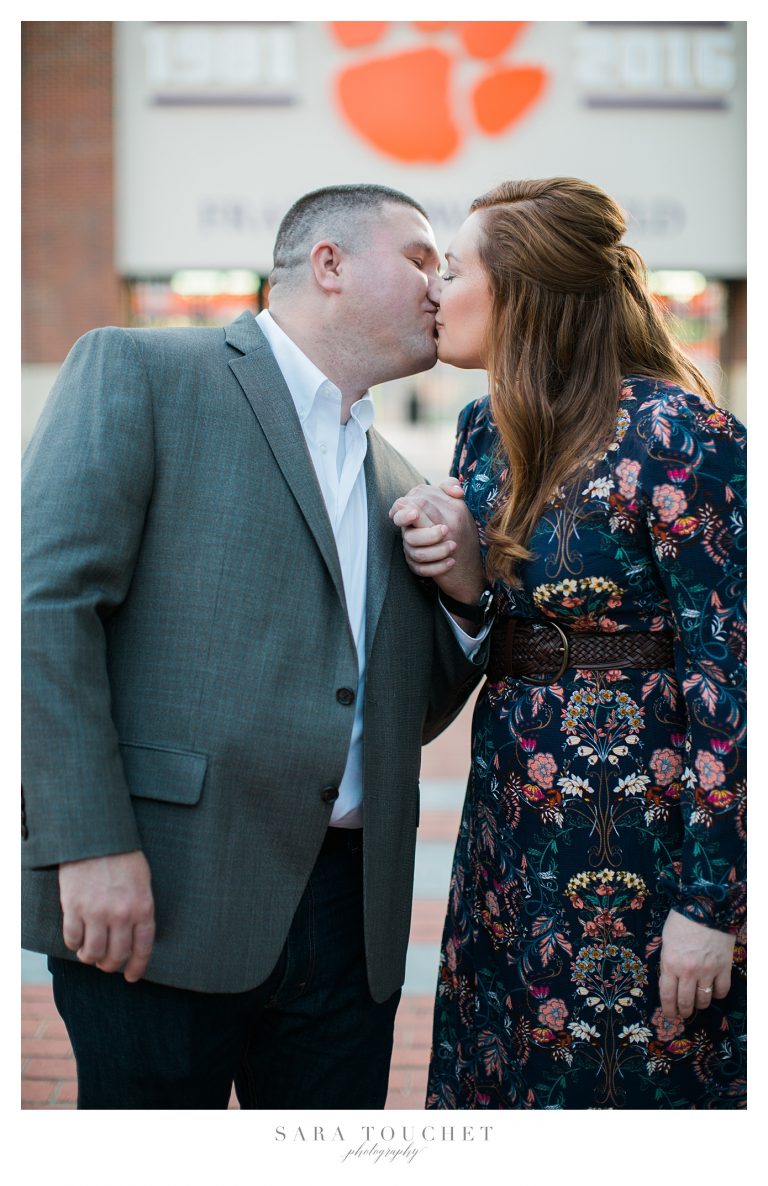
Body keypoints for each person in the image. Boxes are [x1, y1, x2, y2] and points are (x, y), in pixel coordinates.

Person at [21, 183, 490, 1110]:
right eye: (419, 258)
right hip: (161, 893)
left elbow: (401, 711)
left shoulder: (397, 477)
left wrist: (469, 597)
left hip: (349, 929)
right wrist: (89, 844)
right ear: (329, 264)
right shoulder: (142, 373)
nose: (442, 286)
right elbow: (40, 609)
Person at [391, 177, 746, 1109]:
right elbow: (506, 624)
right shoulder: (482, 434)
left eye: (455, 269)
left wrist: (713, 906)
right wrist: (466, 581)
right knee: (500, 1073)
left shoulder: (679, 434)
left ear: (525, 293)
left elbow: (734, 674)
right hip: (511, 822)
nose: (435, 290)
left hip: (644, 833)